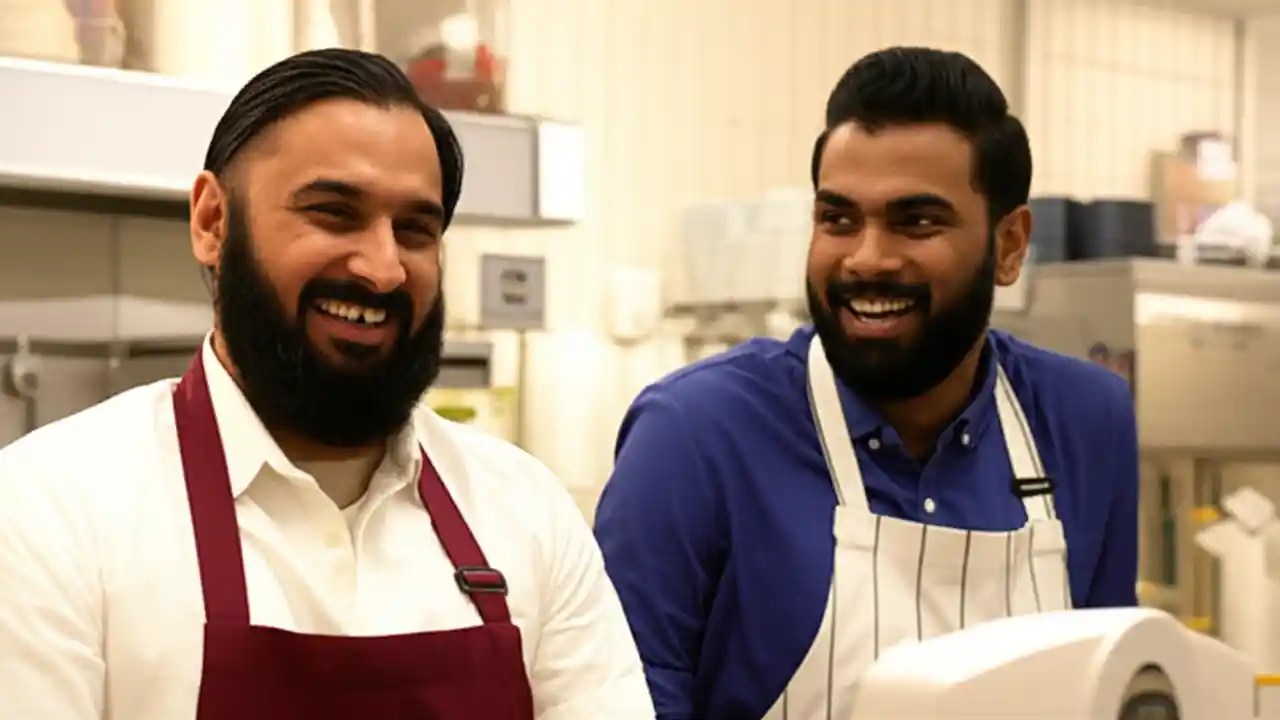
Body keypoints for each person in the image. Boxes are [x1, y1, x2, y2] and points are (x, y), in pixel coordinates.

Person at [0, 48, 654, 720]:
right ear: (211, 222)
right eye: (333, 213)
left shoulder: (524, 509)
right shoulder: (52, 510)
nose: (382, 268)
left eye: (415, 230)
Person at [594, 46, 1139, 720]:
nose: (867, 259)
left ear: (1008, 246)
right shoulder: (697, 432)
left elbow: (1113, 686)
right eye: (839, 219)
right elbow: (619, 702)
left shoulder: (1085, 418)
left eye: (916, 222)